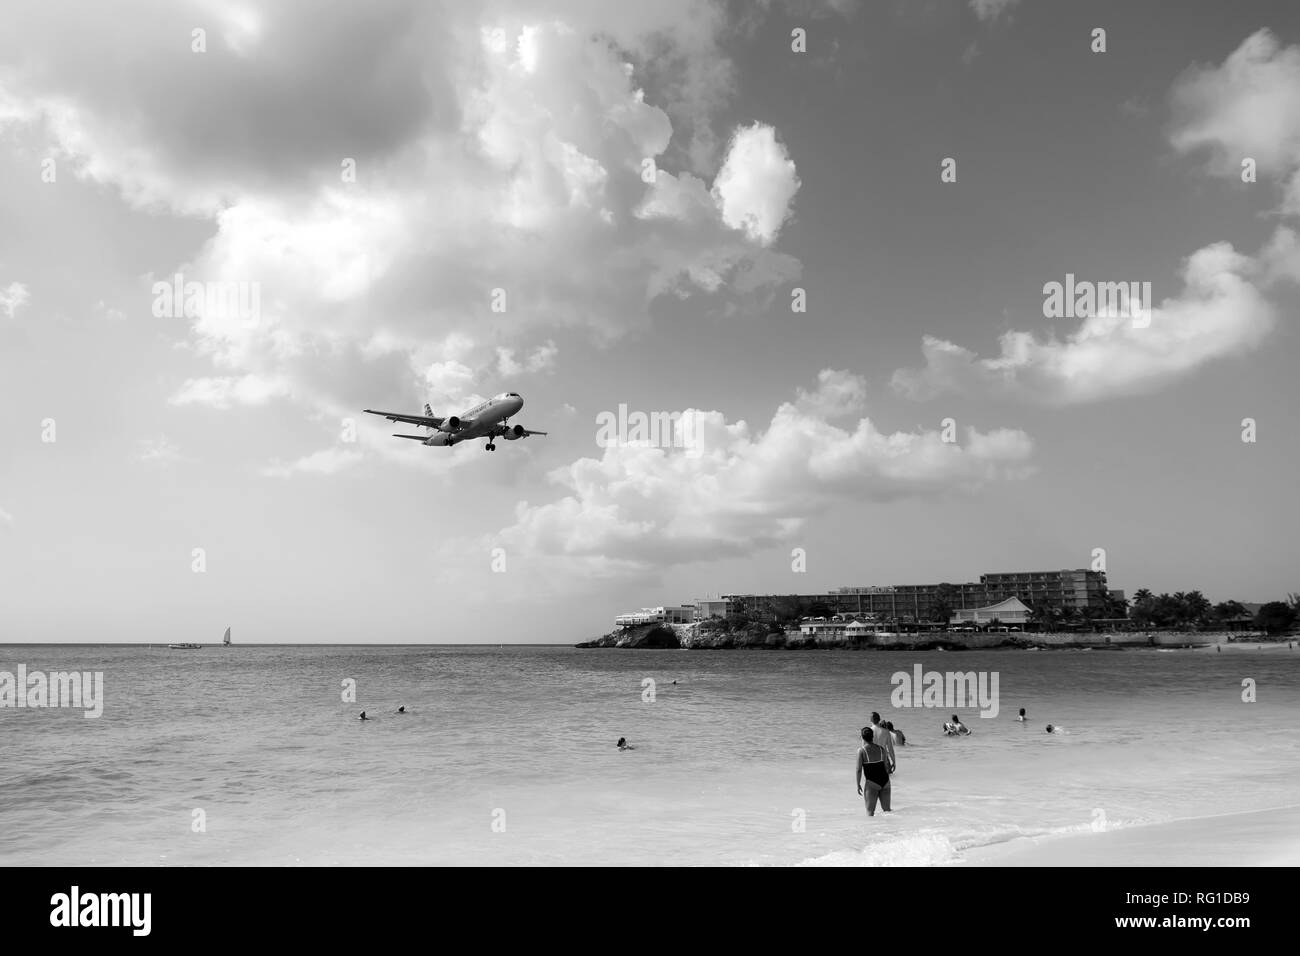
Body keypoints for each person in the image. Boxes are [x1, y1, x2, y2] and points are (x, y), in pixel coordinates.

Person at [855, 727, 893, 816]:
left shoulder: (861, 751)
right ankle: (891, 829)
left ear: (862, 737)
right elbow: (886, 767)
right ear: (873, 736)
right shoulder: (881, 749)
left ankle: (871, 830)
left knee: (870, 813)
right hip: (885, 782)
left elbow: (858, 769)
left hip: (872, 783)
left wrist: (858, 784)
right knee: (887, 811)